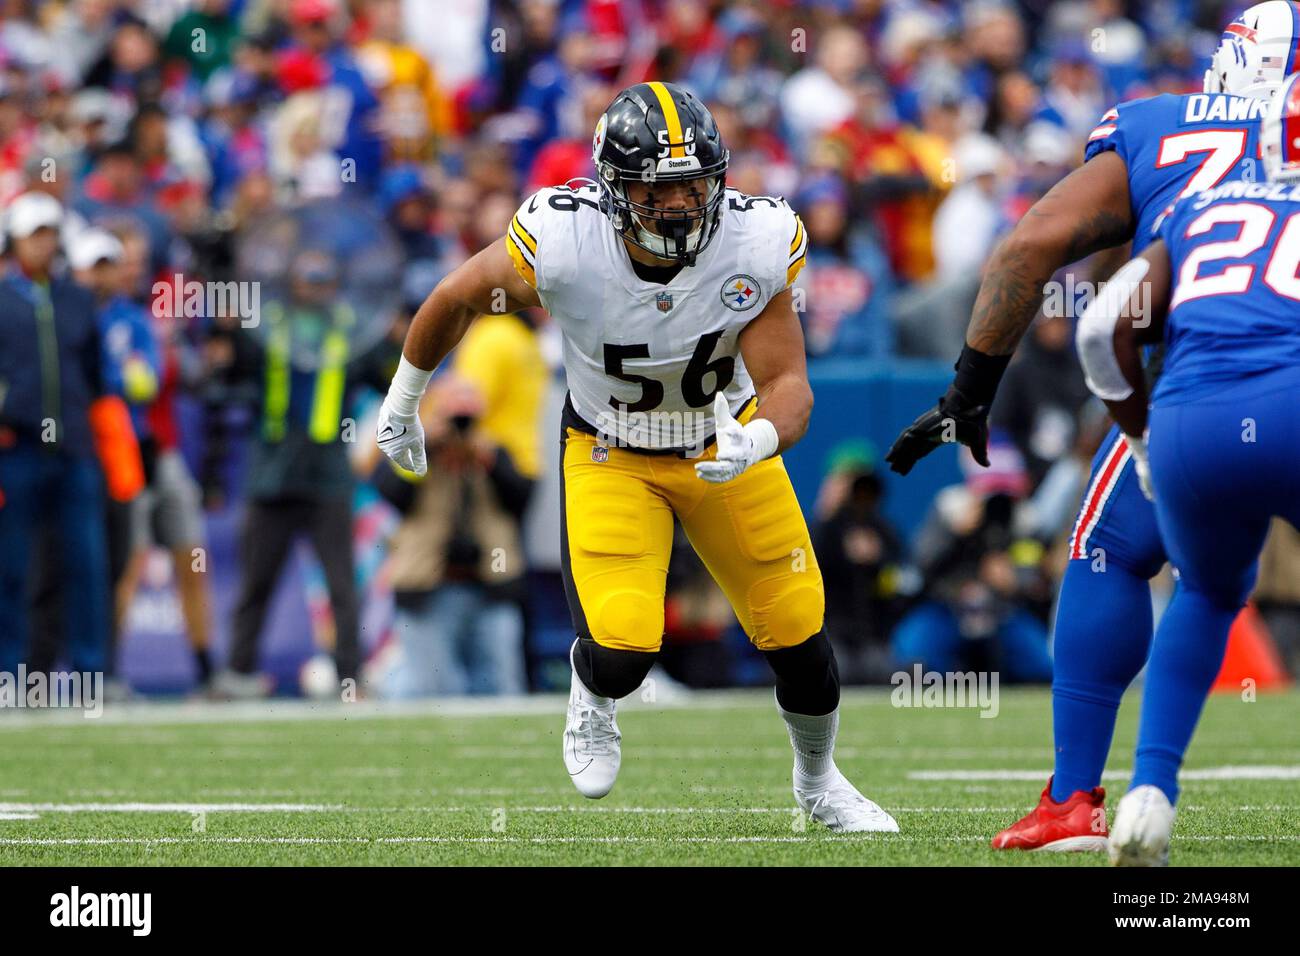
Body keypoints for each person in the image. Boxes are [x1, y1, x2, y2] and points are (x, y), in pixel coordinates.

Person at [377, 82, 897, 832]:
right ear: (612, 191)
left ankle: (819, 784)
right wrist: (402, 402)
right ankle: (591, 698)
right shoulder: (563, 241)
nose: (682, 206)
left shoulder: (754, 239)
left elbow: (789, 385)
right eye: (659, 190)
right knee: (623, 649)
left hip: (722, 442)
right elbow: (456, 295)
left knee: (799, 634)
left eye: (694, 185)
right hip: (610, 449)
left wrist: (754, 438)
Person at [884, 2, 1291, 852]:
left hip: (1192, 386)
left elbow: (1033, 245)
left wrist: (973, 385)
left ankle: (1078, 798)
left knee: (1109, 545)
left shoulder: (1160, 126)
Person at [1076, 71, 1300, 864]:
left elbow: (1100, 331)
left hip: (1188, 423)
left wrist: (1140, 443)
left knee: (1205, 594)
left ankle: (1148, 796)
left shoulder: (1203, 207)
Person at [0, 192, 114, 676]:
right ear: (16, 241)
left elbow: (93, 374)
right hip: (16, 449)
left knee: (86, 565)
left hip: (73, 449)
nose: (44, 244)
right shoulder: (3, 300)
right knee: (12, 567)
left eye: (50, 234)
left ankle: (92, 672)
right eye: (35, 235)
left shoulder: (77, 299)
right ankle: (10, 671)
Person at [373, 375, 531, 697]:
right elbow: (389, 492)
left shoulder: (494, 450)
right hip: (427, 588)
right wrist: (425, 445)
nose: (461, 425)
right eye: (454, 416)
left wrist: (488, 458)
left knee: (501, 685)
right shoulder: (416, 453)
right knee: (434, 689)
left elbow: (522, 499)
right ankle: (389, 686)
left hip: (490, 585)